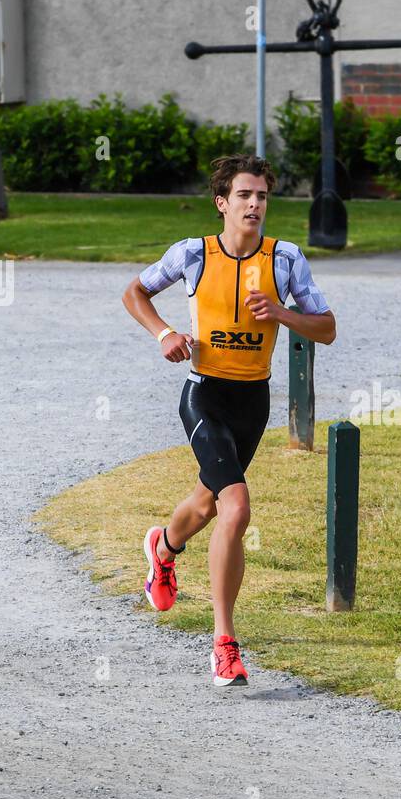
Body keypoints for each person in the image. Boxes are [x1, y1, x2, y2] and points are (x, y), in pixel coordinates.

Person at [121, 154, 337, 686]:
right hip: (204, 394)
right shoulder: (193, 253)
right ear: (222, 202)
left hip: (253, 401)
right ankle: (225, 644)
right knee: (235, 506)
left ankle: (163, 548)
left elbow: (327, 328)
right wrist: (165, 334)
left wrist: (282, 313)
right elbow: (136, 292)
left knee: (208, 501)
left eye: (262, 196)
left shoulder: (285, 261)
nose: (255, 205)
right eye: (244, 195)